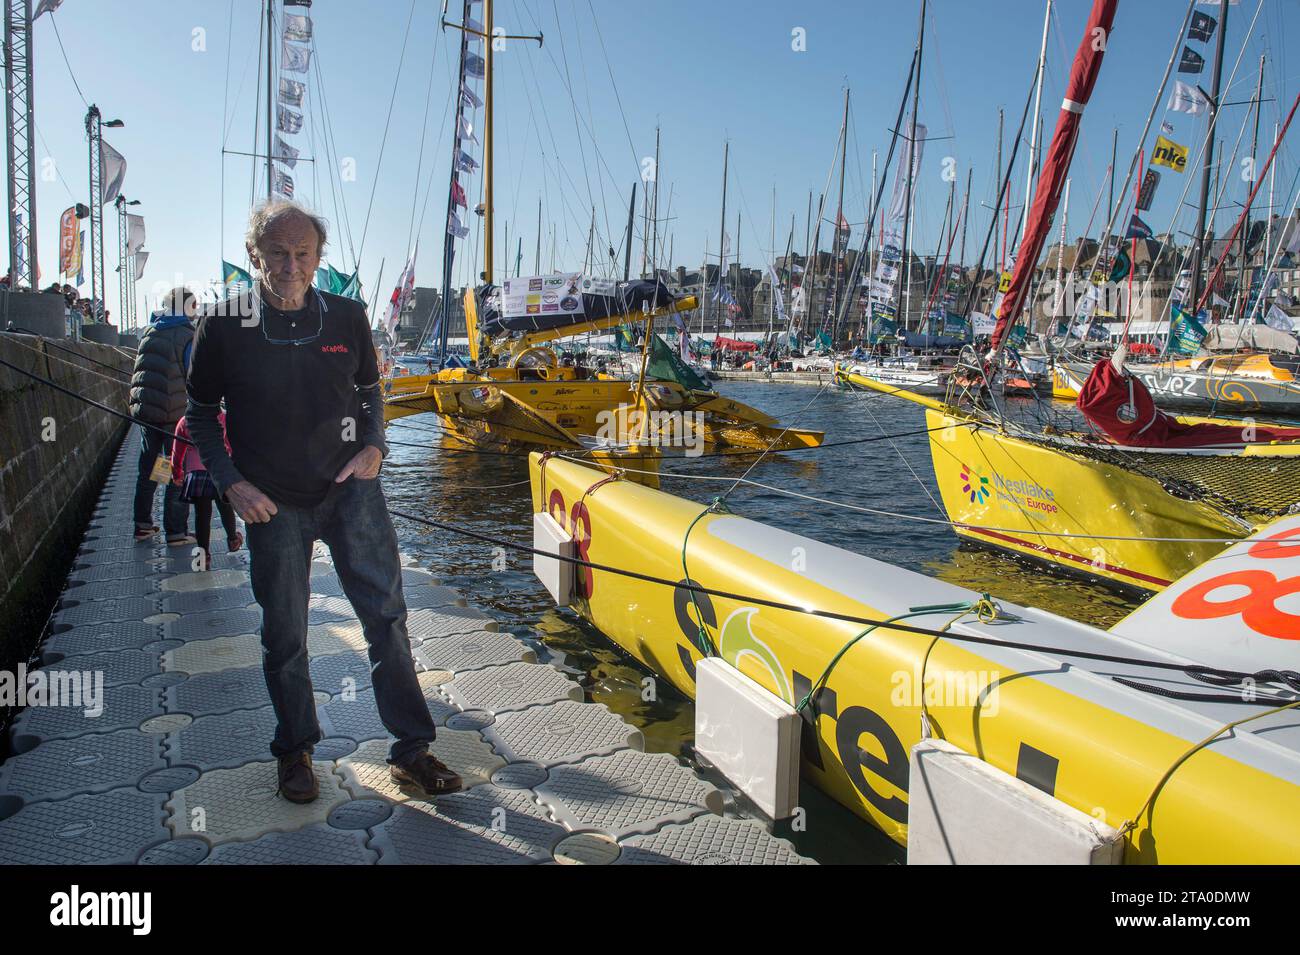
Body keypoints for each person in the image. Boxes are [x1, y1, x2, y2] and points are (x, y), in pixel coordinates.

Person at [185, 200, 461, 804]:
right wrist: (231, 482)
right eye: (278, 254)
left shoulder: (348, 317)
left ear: (318, 257)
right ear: (255, 255)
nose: (291, 266)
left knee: (386, 620)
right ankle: (296, 751)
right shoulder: (222, 323)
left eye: (303, 254)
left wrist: (376, 446)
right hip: (270, 503)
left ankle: (412, 749)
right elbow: (201, 415)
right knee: (286, 631)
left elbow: (370, 393)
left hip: (351, 491)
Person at [127, 287, 195, 544]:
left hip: (148, 414)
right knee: (178, 469)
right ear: (188, 307)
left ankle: (143, 524)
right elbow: (194, 374)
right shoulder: (187, 334)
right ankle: (176, 531)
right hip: (174, 415)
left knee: (151, 469)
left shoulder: (150, 332)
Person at [171, 412, 243, 571]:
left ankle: (203, 557)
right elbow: (230, 445)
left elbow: (177, 451)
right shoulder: (223, 418)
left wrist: (176, 473)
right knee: (225, 506)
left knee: (202, 516)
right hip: (218, 472)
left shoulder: (185, 421)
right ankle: (233, 539)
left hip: (196, 474)